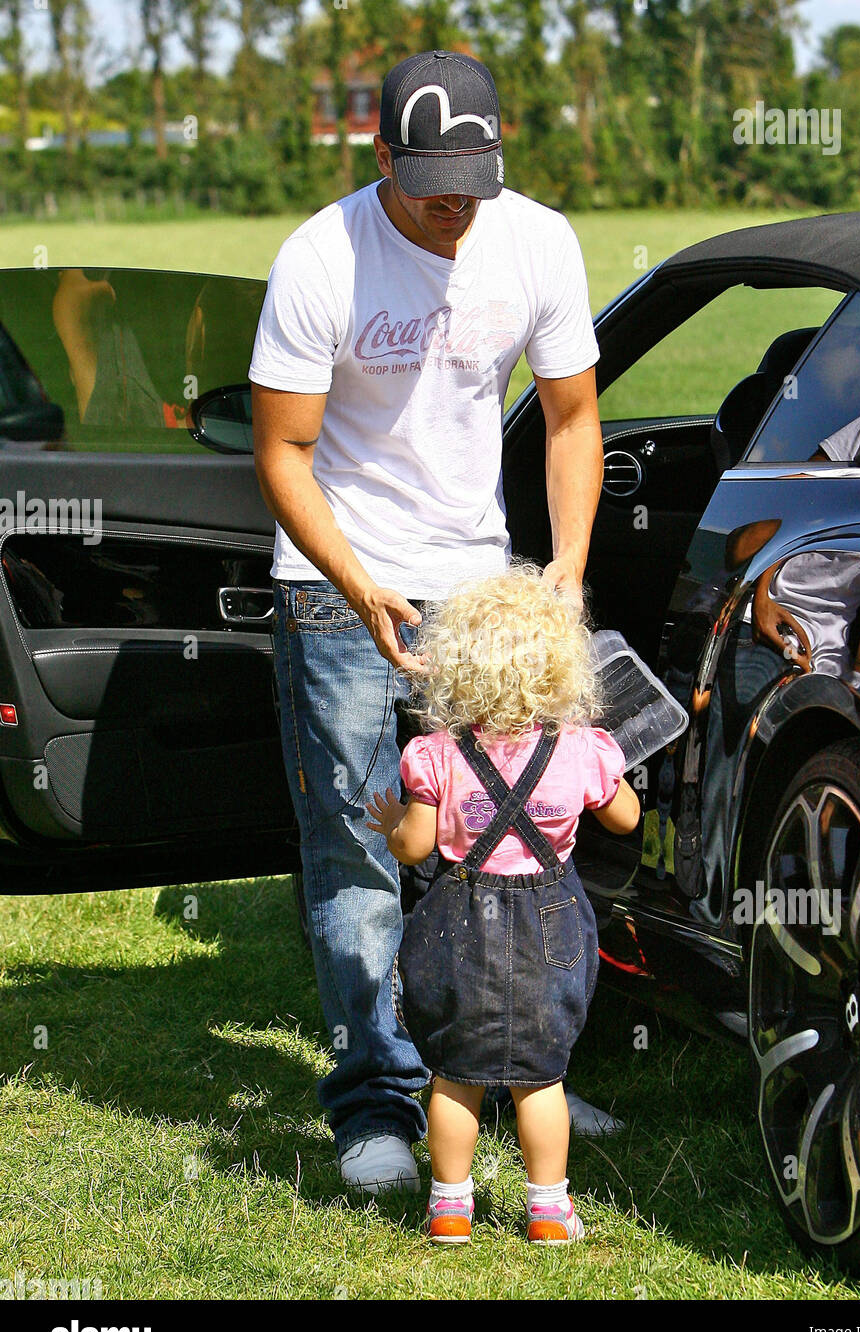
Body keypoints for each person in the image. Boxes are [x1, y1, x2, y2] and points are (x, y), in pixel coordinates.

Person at [248, 49, 607, 1192]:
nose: (456, 206)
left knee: (512, 843)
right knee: (361, 846)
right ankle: (379, 1105)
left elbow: (569, 419)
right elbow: (282, 451)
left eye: (476, 179)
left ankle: (518, 1069)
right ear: (381, 157)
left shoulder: (537, 240)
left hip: (483, 588)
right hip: (338, 585)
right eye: (432, 183)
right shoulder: (321, 259)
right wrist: (357, 587)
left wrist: (564, 570)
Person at [366, 564, 641, 1242]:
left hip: (461, 923)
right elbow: (625, 820)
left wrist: (391, 823)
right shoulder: (581, 749)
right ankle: (548, 1211)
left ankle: (450, 1208)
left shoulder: (436, 754)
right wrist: (611, 778)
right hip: (551, 925)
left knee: (454, 1073)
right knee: (540, 1076)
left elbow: (415, 849)